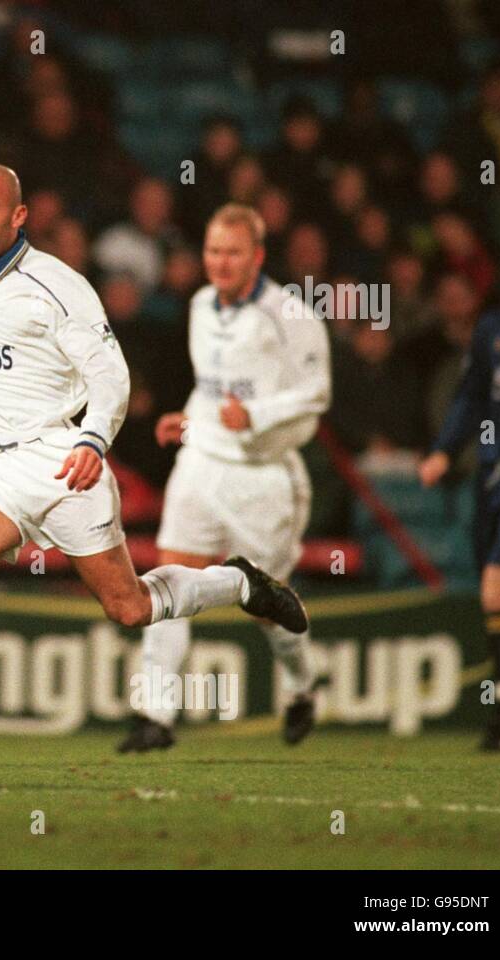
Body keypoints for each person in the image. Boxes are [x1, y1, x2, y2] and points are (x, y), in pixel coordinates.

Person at [0, 141, 308, 759]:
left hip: (60, 459)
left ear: (20, 216)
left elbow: (112, 377)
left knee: (130, 606)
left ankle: (238, 583)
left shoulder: (60, 288)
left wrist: (93, 439)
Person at [121, 204, 331, 753]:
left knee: (267, 608)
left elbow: (317, 392)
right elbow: (210, 386)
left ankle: (302, 686)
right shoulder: (198, 305)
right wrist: (191, 419)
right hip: (201, 464)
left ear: (257, 256)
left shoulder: (289, 315)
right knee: (167, 579)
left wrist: (256, 415)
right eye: (213, 250)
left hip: (262, 476)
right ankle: (155, 716)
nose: (220, 261)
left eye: (233, 252)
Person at [420, 223, 500, 752]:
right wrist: (445, 450)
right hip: (493, 480)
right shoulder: (493, 331)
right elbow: (471, 398)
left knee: (499, 587)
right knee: (498, 602)